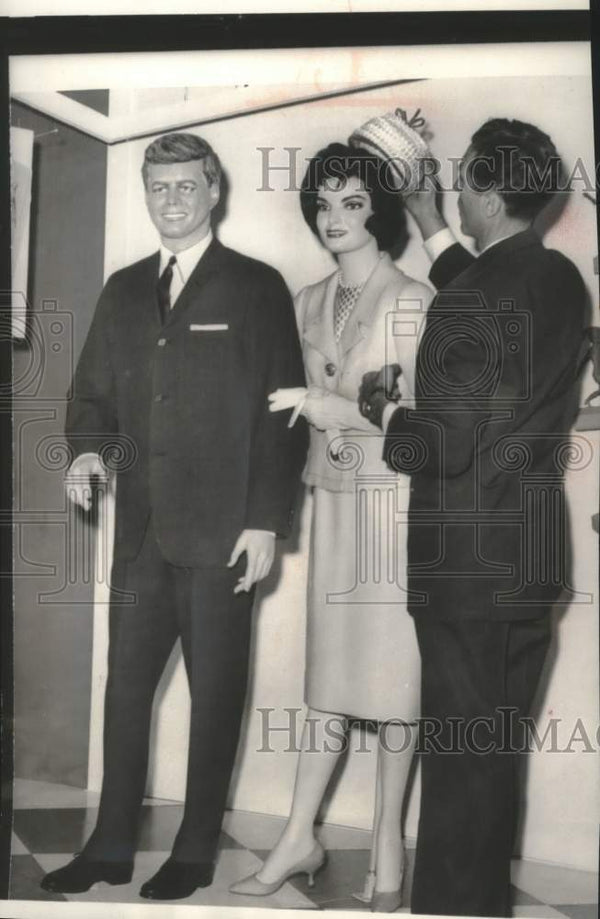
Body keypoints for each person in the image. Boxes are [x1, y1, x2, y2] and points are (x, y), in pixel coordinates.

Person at [41, 132, 308, 901]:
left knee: (216, 689)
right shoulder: (122, 289)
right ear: (147, 192)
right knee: (125, 688)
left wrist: (266, 521)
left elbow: (282, 414)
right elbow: (90, 397)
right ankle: (111, 844)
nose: (172, 200)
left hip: (226, 532)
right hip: (141, 536)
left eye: (187, 186)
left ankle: (193, 851)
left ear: (214, 189)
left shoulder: (257, 286)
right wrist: (88, 454)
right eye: (158, 187)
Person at [359, 118, 587, 917]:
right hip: (527, 562)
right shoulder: (561, 281)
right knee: (493, 759)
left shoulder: (468, 305)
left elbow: (444, 445)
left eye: (463, 182)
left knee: (459, 776)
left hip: (465, 571)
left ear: (488, 193)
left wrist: (386, 413)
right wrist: (430, 223)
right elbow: (487, 286)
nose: (455, 190)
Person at [230, 142, 433, 911]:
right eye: (322, 204)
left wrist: (334, 409)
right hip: (333, 501)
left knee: (395, 689)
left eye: (351, 202)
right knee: (326, 686)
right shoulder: (306, 301)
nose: (334, 218)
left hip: (395, 504)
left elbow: (423, 422)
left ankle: (387, 848)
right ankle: (297, 836)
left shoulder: (414, 297)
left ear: (379, 209)